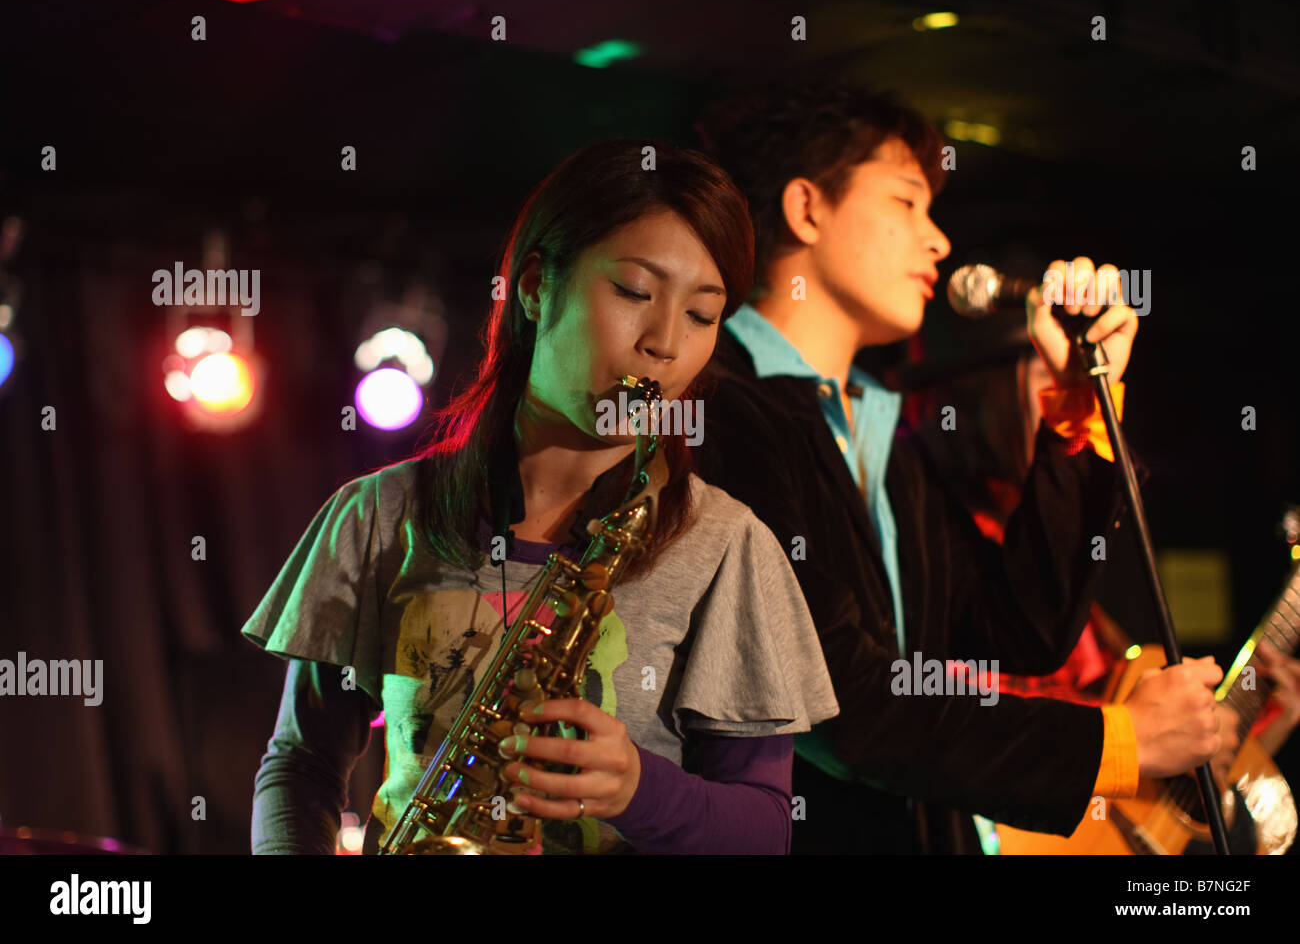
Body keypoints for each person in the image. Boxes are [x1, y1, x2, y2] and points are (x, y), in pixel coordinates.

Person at [241, 138, 839, 855]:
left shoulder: (728, 545)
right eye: (634, 292)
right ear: (533, 285)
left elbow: (766, 830)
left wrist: (637, 791)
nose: (665, 344)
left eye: (702, 315)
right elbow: (300, 766)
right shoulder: (377, 515)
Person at [692, 82, 1224, 853]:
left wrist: (1078, 418)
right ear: (807, 209)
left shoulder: (886, 427)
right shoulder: (722, 409)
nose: (938, 241)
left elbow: (1015, 633)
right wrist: (1119, 742)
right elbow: (837, 701)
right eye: (908, 203)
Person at [905, 315, 1300, 852]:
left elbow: (1150, 780)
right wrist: (1133, 737)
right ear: (990, 394)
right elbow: (970, 727)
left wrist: (1246, 732)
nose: (1082, 403)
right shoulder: (953, 543)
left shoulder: (1075, 547)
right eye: (1052, 380)